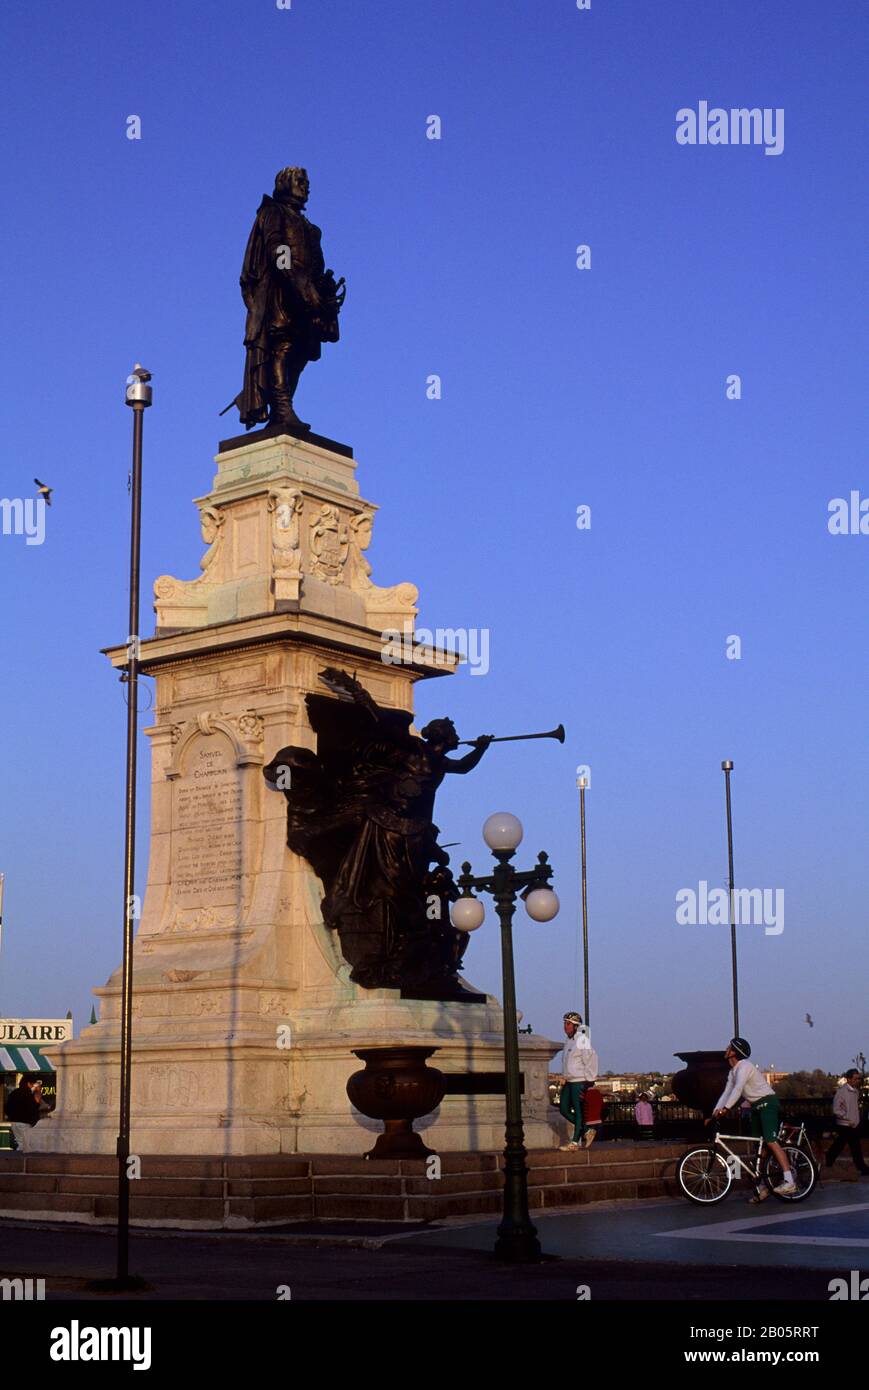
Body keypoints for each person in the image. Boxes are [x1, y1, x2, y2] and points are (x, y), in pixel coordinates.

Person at [711, 1037, 796, 1202]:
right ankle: (763, 1186)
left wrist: (726, 1109)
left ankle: (789, 1180)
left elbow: (738, 1089)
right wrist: (715, 1112)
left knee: (770, 1140)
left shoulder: (745, 1066)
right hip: (756, 1107)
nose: (726, 1049)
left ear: (734, 1052)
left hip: (768, 1103)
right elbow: (727, 1092)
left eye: (729, 1047)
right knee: (760, 1146)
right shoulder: (733, 1071)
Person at [558, 1012, 599, 1151]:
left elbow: (591, 1058)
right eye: (564, 1023)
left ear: (576, 1026)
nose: (565, 1026)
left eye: (568, 1024)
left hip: (579, 1080)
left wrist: (589, 1080)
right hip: (569, 1080)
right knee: (563, 1109)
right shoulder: (568, 1040)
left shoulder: (582, 1040)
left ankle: (574, 1141)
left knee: (578, 1110)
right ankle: (586, 1128)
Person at [825, 1069, 869, 1176]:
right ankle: (862, 1168)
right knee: (854, 1146)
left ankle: (829, 1158)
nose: (857, 1081)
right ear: (848, 1079)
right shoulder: (841, 1092)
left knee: (841, 1143)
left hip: (853, 1124)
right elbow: (836, 1109)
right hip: (845, 1124)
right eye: (855, 1079)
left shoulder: (856, 1092)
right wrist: (847, 1118)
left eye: (858, 1078)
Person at [4, 1076, 41, 1152]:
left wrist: (11, 1116)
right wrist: (38, 1091)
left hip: (14, 1122)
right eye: (32, 1084)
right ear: (28, 1083)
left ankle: (18, 1161)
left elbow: (7, 1107)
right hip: (25, 1123)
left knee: (21, 1144)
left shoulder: (14, 1093)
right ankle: (22, 1162)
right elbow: (35, 1106)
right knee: (27, 1146)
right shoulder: (28, 1094)